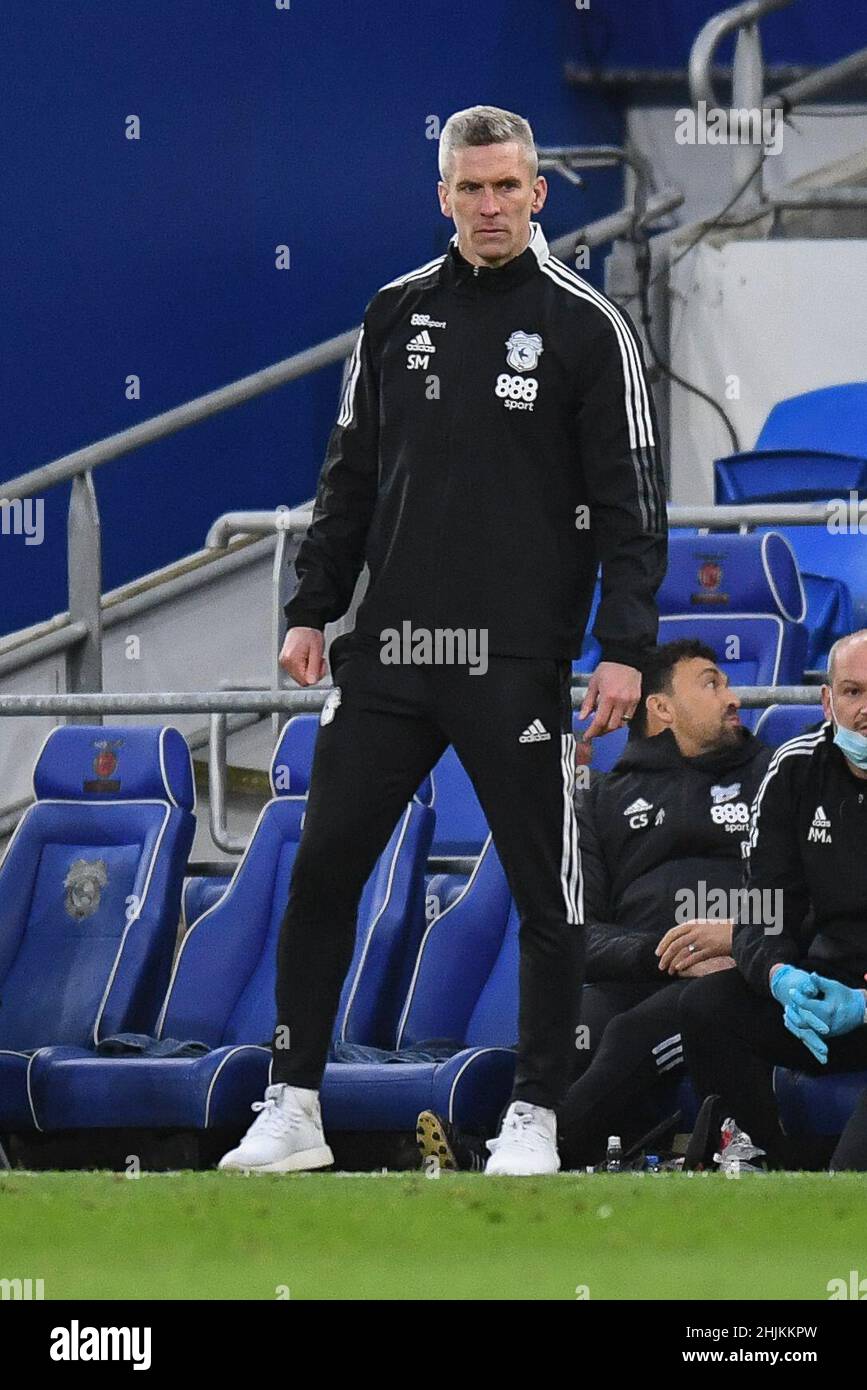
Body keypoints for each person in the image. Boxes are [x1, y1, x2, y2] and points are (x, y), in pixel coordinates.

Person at [219, 104, 666, 1176]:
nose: (490, 205)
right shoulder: (391, 314)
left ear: (539, 192)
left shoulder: (588, 326)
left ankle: (536, 1116)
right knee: (322, 869)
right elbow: (350, 476)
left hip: (514, 657)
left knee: (544, 890)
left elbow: (631, 506)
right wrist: (307, 607)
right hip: (388, 654)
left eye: (508, 186)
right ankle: (293, 1105)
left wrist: (626, 647)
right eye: (471, 189)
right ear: (443, 198)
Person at [417, 640, 771, 1172]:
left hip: (738, 971)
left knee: (633, 1032)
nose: (733, 697)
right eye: (711, 683)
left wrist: (741, 940)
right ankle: (546, 1155)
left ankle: (504, 1157)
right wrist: (665, 953)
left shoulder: (776, 778)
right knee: (573, 1023)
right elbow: (575, 934)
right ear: (661, 708)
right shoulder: (600, 801)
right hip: (642, 972)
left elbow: (803, 894)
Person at [679, 629, 867, 1171]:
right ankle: (768, 1169)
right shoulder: (794, 769)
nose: (864, 710)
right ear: (827, 701)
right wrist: (782, 977)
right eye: (852, 692)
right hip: (826, 993)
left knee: (851, 1177)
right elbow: (763, 909)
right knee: (709, 1008)